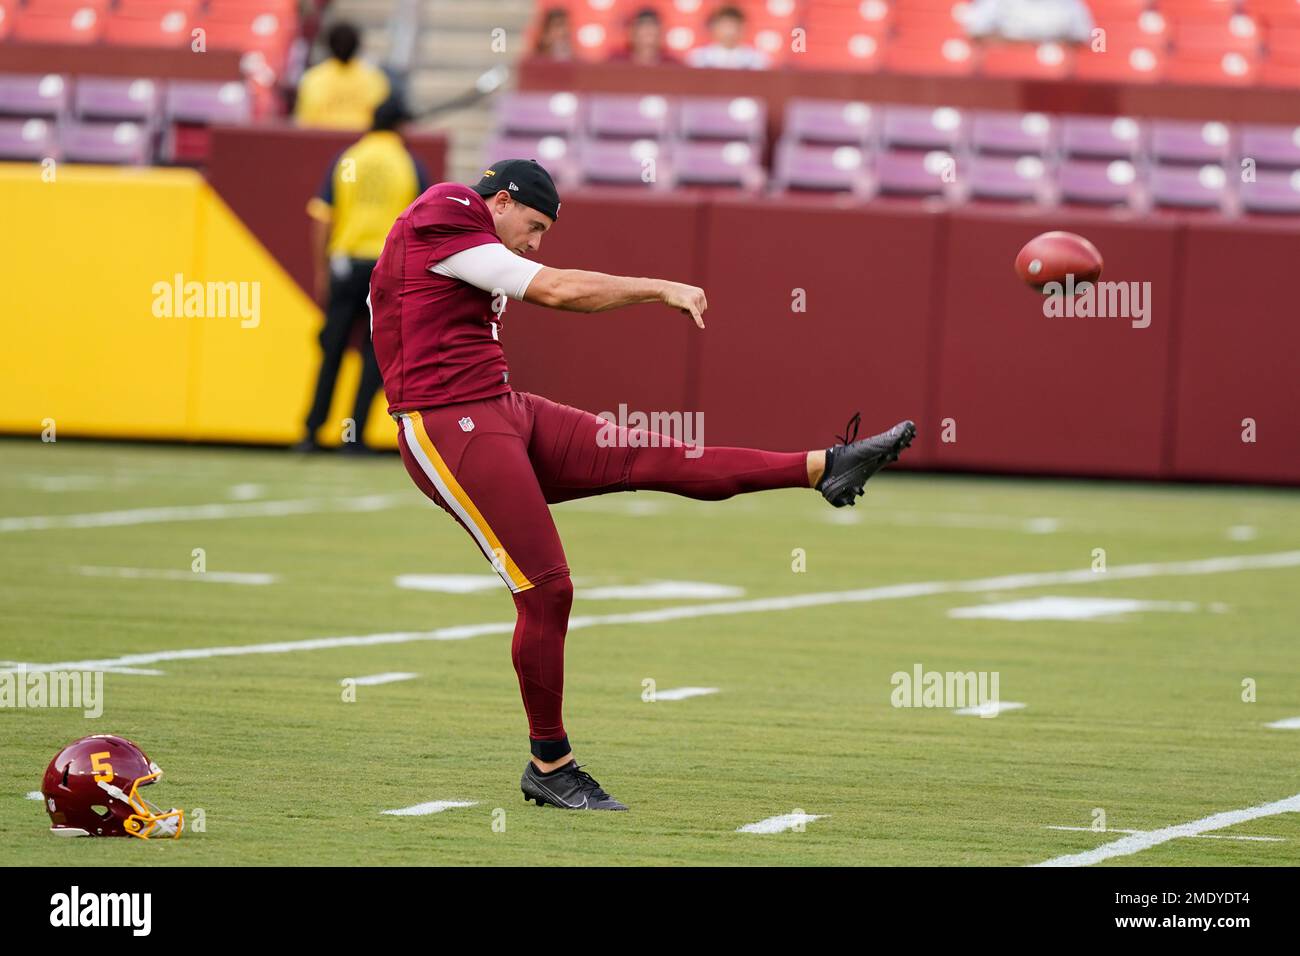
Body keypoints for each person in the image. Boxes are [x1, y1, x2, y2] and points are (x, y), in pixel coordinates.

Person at [368, 158, 915, 810]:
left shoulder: (471, 235)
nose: (536, 241)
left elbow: (540, 279)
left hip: (500, 407)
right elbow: (556, 290)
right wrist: (659, 287)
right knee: (547, 589)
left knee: (658, 457)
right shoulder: (448, 207)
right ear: (502, 200)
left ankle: (825, 466)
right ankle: (551, 762)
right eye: (533, 225)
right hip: (446, 424)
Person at [298, 96, 429, 454]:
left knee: (332, 351)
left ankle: (311, 432)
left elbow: (323, 218)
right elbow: (422, 226)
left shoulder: (348, 158)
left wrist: (323, 272)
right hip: (386, 270)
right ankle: (352, 437)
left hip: (344, 264)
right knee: (375, 358)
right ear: (401, 126)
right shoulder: (408, 165)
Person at [294, 21, 391, 129]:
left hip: (324, 142)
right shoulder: (373, 78)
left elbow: (304, 122)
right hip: (361, 142)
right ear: (357, 45)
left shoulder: (314, 78)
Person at [965, 0, 1094, 44]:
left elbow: (1082, 36)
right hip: (1004, 73)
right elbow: (976, 31)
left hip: (1053, 80)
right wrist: (1020, 46)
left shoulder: (1068, 3)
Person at [685, 5, 770, 70]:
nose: (729, 32)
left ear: (743, 28)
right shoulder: (699, 58)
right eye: (724, 26)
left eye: (733, 26)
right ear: (713, 28)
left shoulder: (756, 59)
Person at [610, 7, 679, 65]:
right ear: (631, 33)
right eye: (643, 26)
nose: (648, 31)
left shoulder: (673, 65)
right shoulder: (616, 62)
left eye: (652, 26)